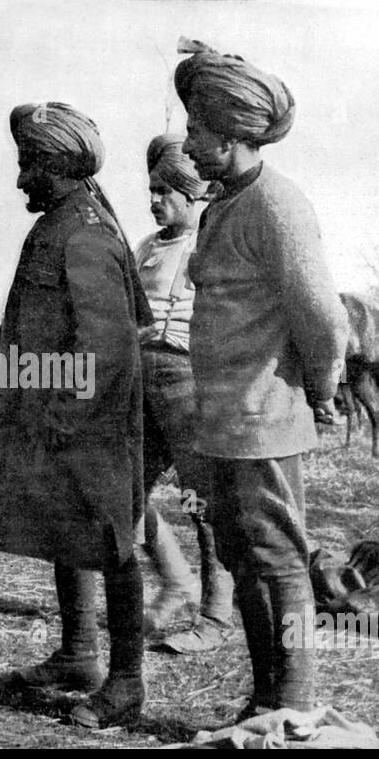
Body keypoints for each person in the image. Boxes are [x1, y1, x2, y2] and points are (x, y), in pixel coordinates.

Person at [176, 38, 348, 718]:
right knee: (243, 558)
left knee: (280, 558)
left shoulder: (278, 205)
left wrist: (325, 390)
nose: (187, 143)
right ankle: (265, 697)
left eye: (196, 128)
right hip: (220, 416)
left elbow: (323, 318)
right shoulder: (223, 203)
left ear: (235, 130)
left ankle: (298, 702)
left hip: (264, 417)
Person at [0, 102, 153, 729]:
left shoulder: (83, 233)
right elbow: (32, 321)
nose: (20, 179)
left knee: (112, 544)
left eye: (27, 165)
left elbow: (105, 346)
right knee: (69, 533)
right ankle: (80, 655)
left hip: (89, 422)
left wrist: (61, 417)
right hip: (58, 417)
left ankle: (128, 682)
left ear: (53, 166)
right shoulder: (62, 221)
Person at [134, 133, 234, 653]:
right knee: (128, 492)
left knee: (203, 504)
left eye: (166, 191)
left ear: (194, 195)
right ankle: (176, 583)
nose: (154, 200)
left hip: (189, 383)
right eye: (151, 190)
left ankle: (215, 619)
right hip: (140, 384)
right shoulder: (146, 248)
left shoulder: (214, 242)